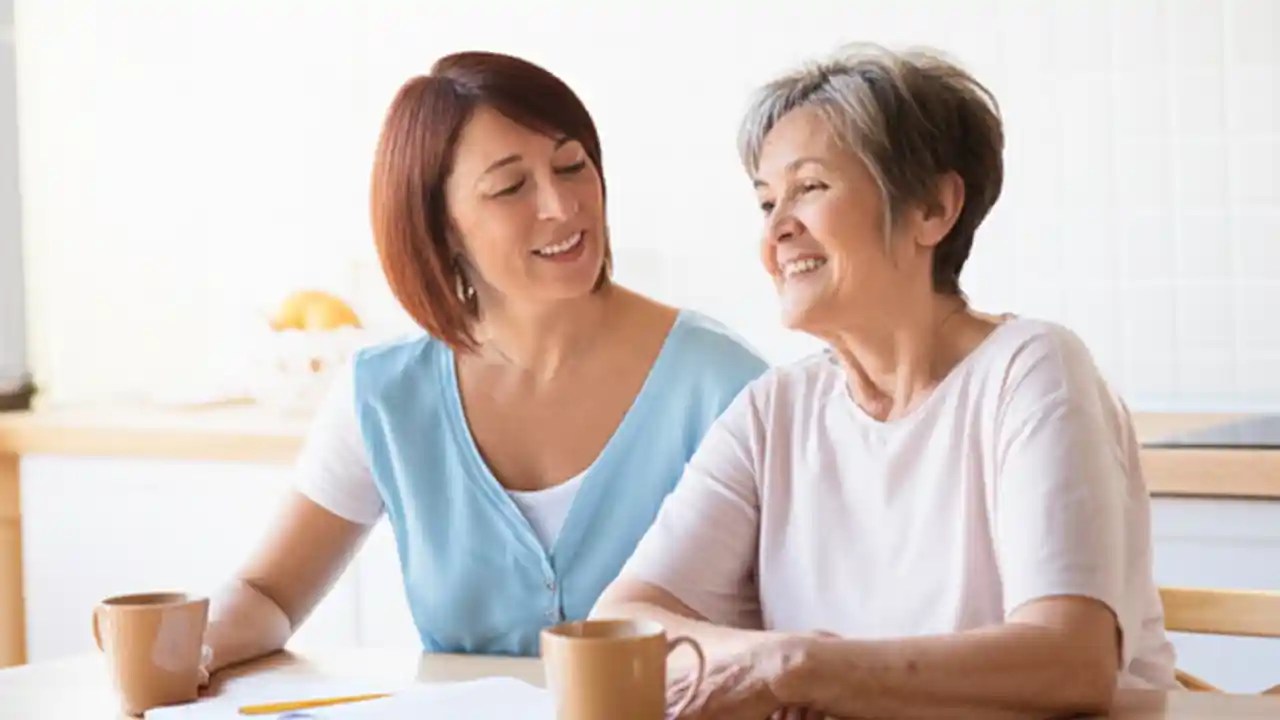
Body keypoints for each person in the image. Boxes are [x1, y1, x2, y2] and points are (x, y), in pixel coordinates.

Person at [594, 44, 1177, 719]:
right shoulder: (773, 410)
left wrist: (799, 667)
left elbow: (1068, 661)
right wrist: (782, 666)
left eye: (809, 188)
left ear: (932, 207)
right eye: (765, 202)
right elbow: (623, 629)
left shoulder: (1032, 369)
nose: (778, 230)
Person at [199, 51, 767, 679]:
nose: (561, 204)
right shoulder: (386, 396)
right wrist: (187, 648)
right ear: (440, 228)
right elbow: (268, 593)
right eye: (510, 187)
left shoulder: (725, 385)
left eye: (572, 165)